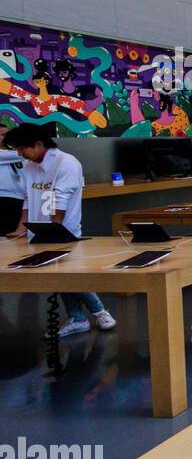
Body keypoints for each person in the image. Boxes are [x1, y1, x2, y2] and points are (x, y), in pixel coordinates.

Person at [3, 123, 116, 337]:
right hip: (39, 231)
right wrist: (20, 229)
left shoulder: (67, 163)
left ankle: (100, 312)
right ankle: (78, 318)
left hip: (65, 230)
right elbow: (28, 198)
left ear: (38, 144)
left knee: (70, 274)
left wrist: (54, 230)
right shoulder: (29, 166)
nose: (20, 154)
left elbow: (60, 200)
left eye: (22, 149)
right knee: (59, 275)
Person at [0, 145, 23, 236]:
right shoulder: (18, 154)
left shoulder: (14, 153)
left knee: (15, 235)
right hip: (3, 198)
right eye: (2, 135)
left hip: (20, 198)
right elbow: (20, 155)